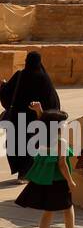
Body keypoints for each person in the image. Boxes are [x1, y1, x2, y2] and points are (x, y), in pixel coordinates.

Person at [15, 101, 76, 228]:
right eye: (64, 123)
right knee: (67, 207)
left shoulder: (42, 137)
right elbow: (62, 164)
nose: (66, 125)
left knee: (50, 210)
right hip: (58, 180)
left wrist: (39, 111)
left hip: (46, 179)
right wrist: (70, 180)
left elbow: (45, 124)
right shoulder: (60, 141)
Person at [1, 51, 60, 179]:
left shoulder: (20, 76)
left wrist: (3, 86)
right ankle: (29, 173)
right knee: (33, 145)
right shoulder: (44, 79)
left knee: (17, 144)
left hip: (18, 119)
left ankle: (22, 172)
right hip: (36, 120)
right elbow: (53, 101)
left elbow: (6, 95)